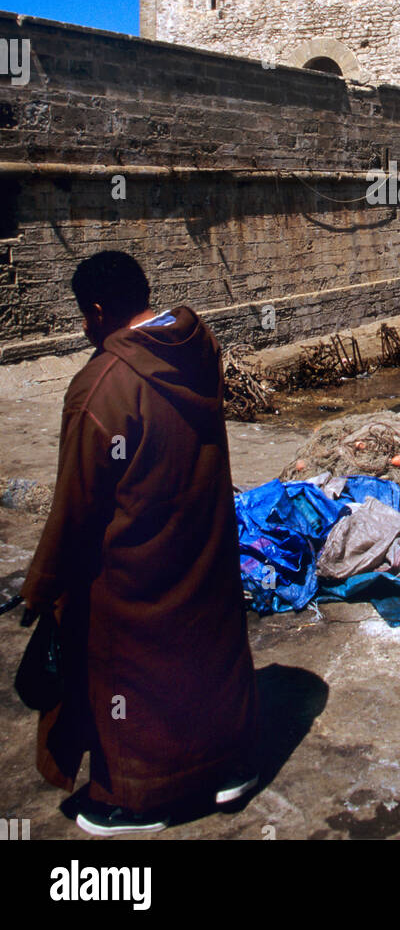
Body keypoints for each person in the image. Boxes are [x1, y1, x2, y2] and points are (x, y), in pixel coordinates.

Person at [20, 251, 258, 834]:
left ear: (97, 313)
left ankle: (135, 797)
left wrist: (42, 589)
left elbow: (75, 507)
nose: (84, 328)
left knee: (129, 674)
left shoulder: (101, 386)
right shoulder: (198, 348)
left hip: (135, 564)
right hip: (203, 540)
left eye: (84, 317)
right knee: (209, 652)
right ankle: (226, 768)